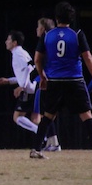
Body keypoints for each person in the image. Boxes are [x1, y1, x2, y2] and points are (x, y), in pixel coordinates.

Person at [30, 1, 92, 159]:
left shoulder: (47, 35)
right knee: (86, 114)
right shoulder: (77, 34)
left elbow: (37, 59)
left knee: (48, 115)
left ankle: (35, 149)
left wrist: (42, 75)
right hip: (74, 80)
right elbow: (88, 57)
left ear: (56, 18)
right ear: (71, 18)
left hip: (54, 81)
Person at [0, 30, 40, 137]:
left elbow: (30, 68)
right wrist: (8, 80)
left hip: (28, 89)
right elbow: (25, 73)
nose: (6, 42)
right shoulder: (20, 52)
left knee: (17, 117)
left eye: (8, 39)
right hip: (31, 88)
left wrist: (22, 86)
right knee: (35, 118)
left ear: (14, 43)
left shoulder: (18, 54)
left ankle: (40, 134)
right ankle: (49, 139)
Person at [34, 17, 62, 152]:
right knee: (49, 112)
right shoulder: (56, 40)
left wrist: (40, 77)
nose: (36, 29)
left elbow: (38, 60)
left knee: (47, 112)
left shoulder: (45, 40)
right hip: (60, 78)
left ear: (44, 29)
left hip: (49, 79)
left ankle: (54, 143)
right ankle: (53, 142)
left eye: (38, 27)